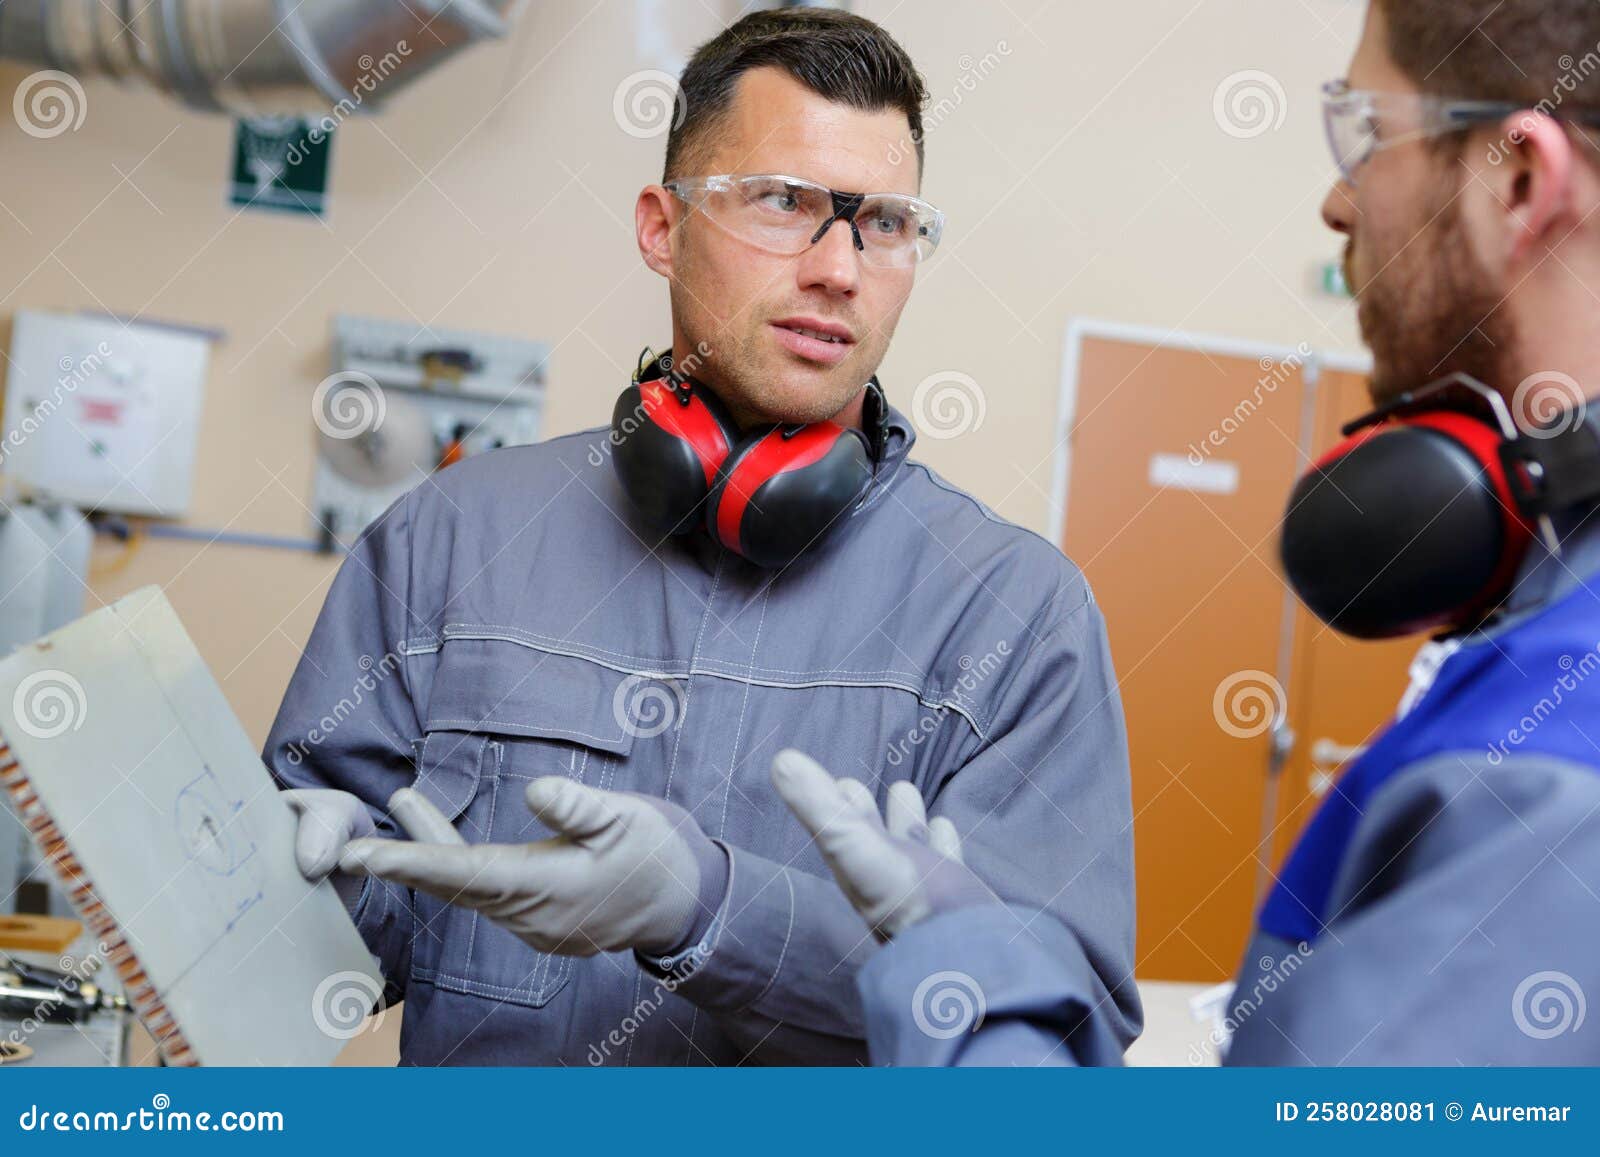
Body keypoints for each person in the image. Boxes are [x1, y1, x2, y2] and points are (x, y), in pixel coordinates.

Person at [266, 7, 1140, 1066]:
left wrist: (714, 912)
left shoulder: (1014, 611)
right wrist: (286, 886)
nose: (840, 268)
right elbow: (318, 954)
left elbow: (1063, 1030)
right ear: (661, 227)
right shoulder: (448, 539)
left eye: (886, 222)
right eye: (783, 201)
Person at [762, 0, 1600, 1068]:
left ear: (1516, 181)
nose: (1339, 198)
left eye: (1366, 135)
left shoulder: (1555, 777)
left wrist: (958, 962)